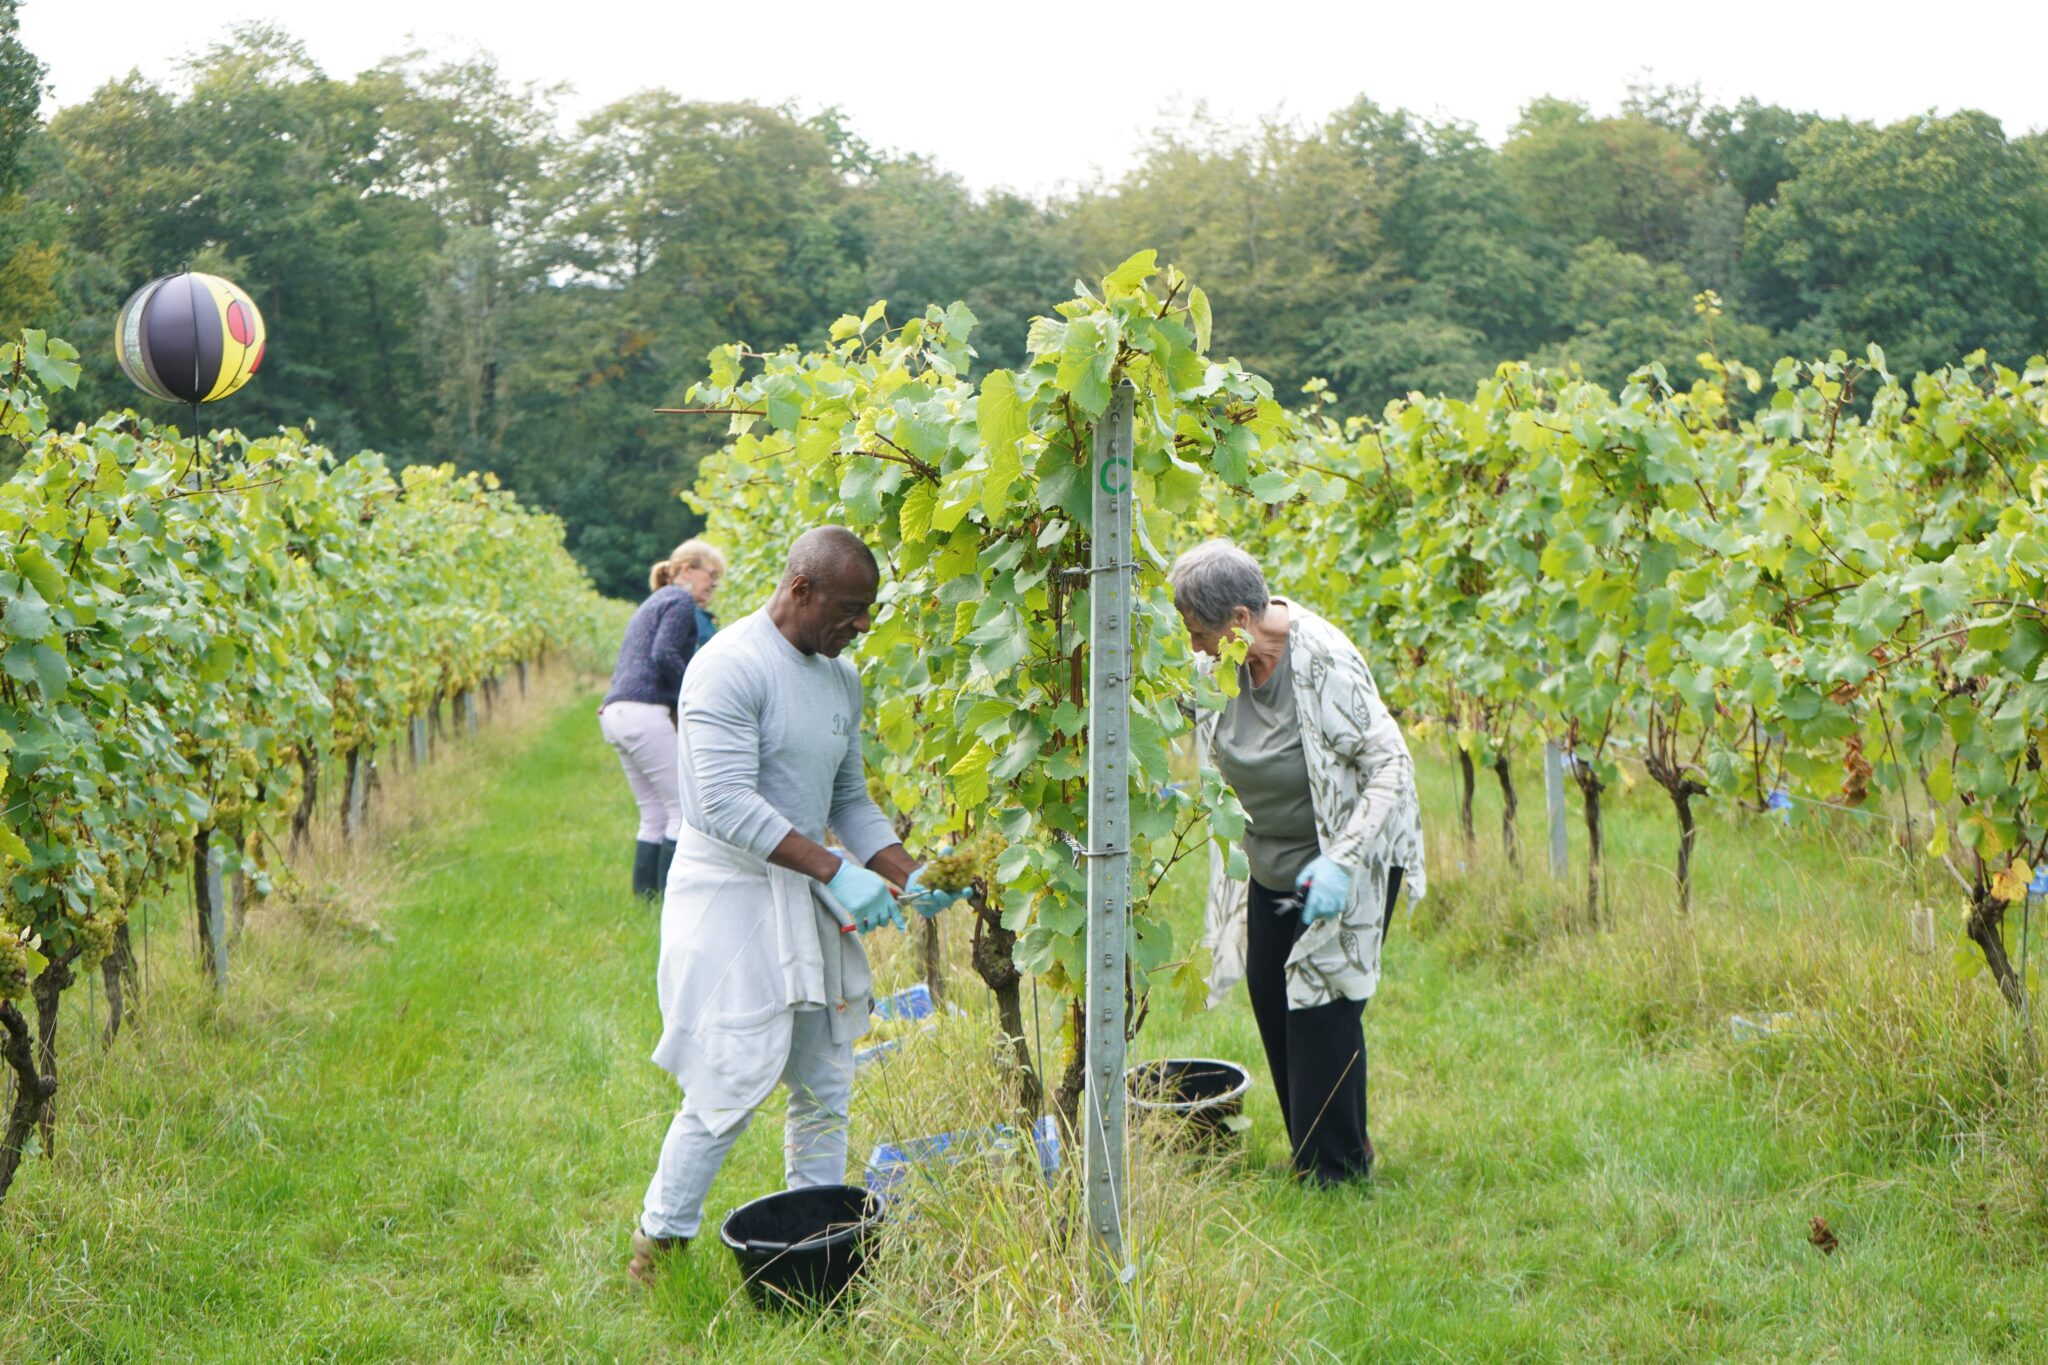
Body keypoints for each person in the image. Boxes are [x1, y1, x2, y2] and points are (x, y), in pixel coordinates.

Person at [628, 526, 964, 1284]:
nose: (862, 625)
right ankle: (658, 1246)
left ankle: (815, 1243)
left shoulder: (841, 679)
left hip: (806, 888)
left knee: (824, 1080)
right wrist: (835, 872)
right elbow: (721, 802)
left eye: (868, 610)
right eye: (850, 608)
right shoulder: (730, 666)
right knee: (729, 1077)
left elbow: (849, 800)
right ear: (801, 589)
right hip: (731, 895)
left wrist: (909, 873)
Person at [1171, 538, 1425, 1185]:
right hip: (1272, 863)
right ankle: (1328, 1144)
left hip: (1345, 863)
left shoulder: (1324, 661)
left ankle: (1333, 1174)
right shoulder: (1221, 665)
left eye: (1199, 632)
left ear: (1239, 620)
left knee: (1321, 1010)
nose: (1195, 647)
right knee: (1272, 995)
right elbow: (1169, 710)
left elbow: (1391, 763)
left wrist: (1342, 859)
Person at [598, 545, 709, 900]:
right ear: (687, 570)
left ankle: (647, 901)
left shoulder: (655, 601)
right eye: (711, 575)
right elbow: (664, 653)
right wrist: (697, 691)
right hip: (644, 713)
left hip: (617, 713)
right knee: (682, 809)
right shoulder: (680, 600)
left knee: (654, 813)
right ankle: (673, 899)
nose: (714, 585)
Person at [668, 538, 724, 644]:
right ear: (686, 571)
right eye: (712, 575)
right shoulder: (684, 611)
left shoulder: (666, 605)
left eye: (717, 577)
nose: (716, 584)